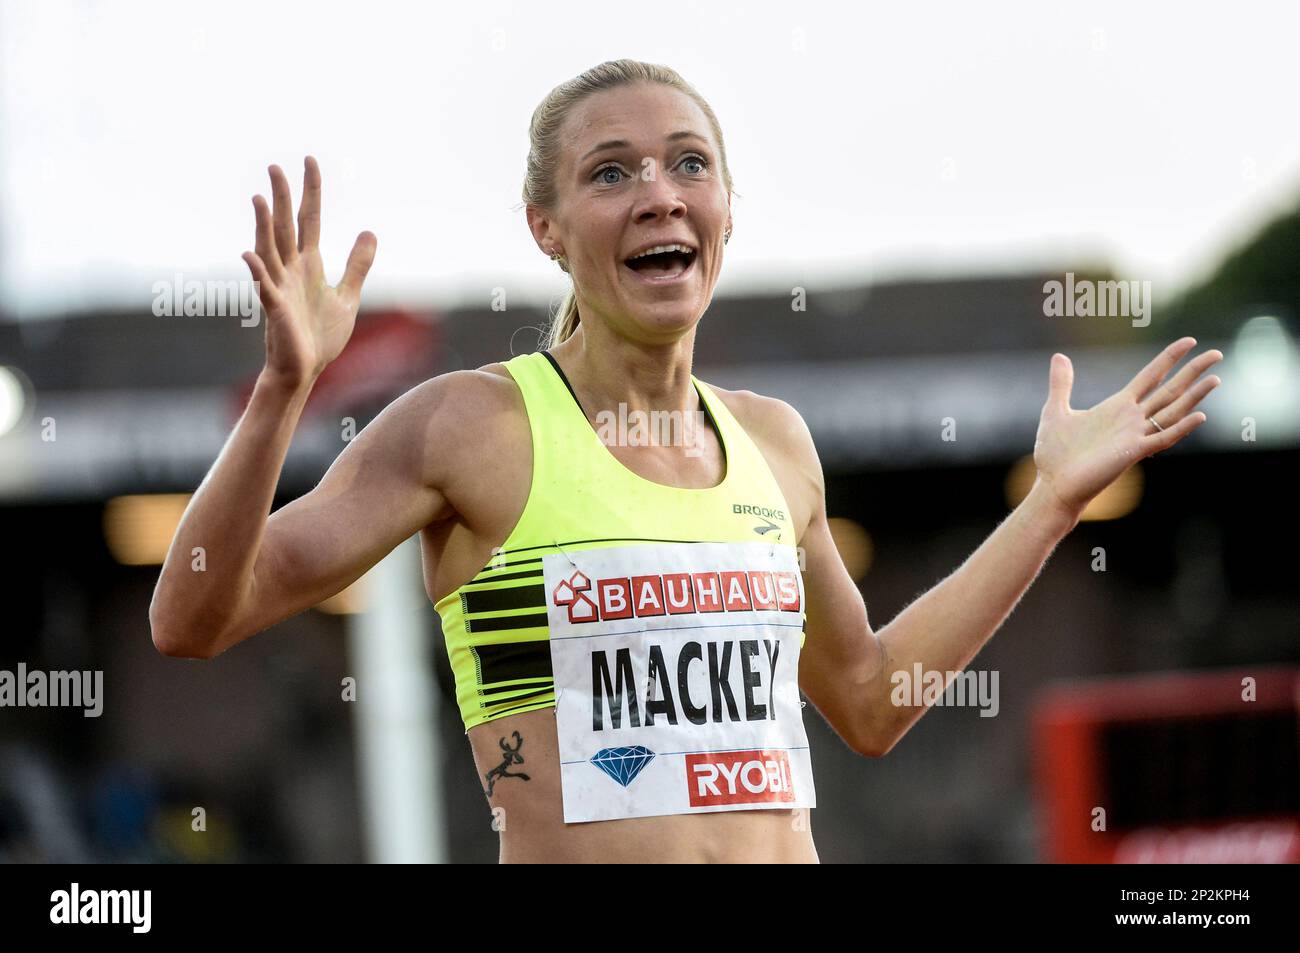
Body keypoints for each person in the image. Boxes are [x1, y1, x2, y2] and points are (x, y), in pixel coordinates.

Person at [149, 59, 1223, 863]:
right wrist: (283, 392)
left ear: (721, 213)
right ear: (547, 228)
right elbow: (193, 617)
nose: (659, 192)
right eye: (610, 172)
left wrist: (1050, 504)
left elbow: (870, 698)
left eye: (688, 163)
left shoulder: (772, 442)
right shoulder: (470, 426)